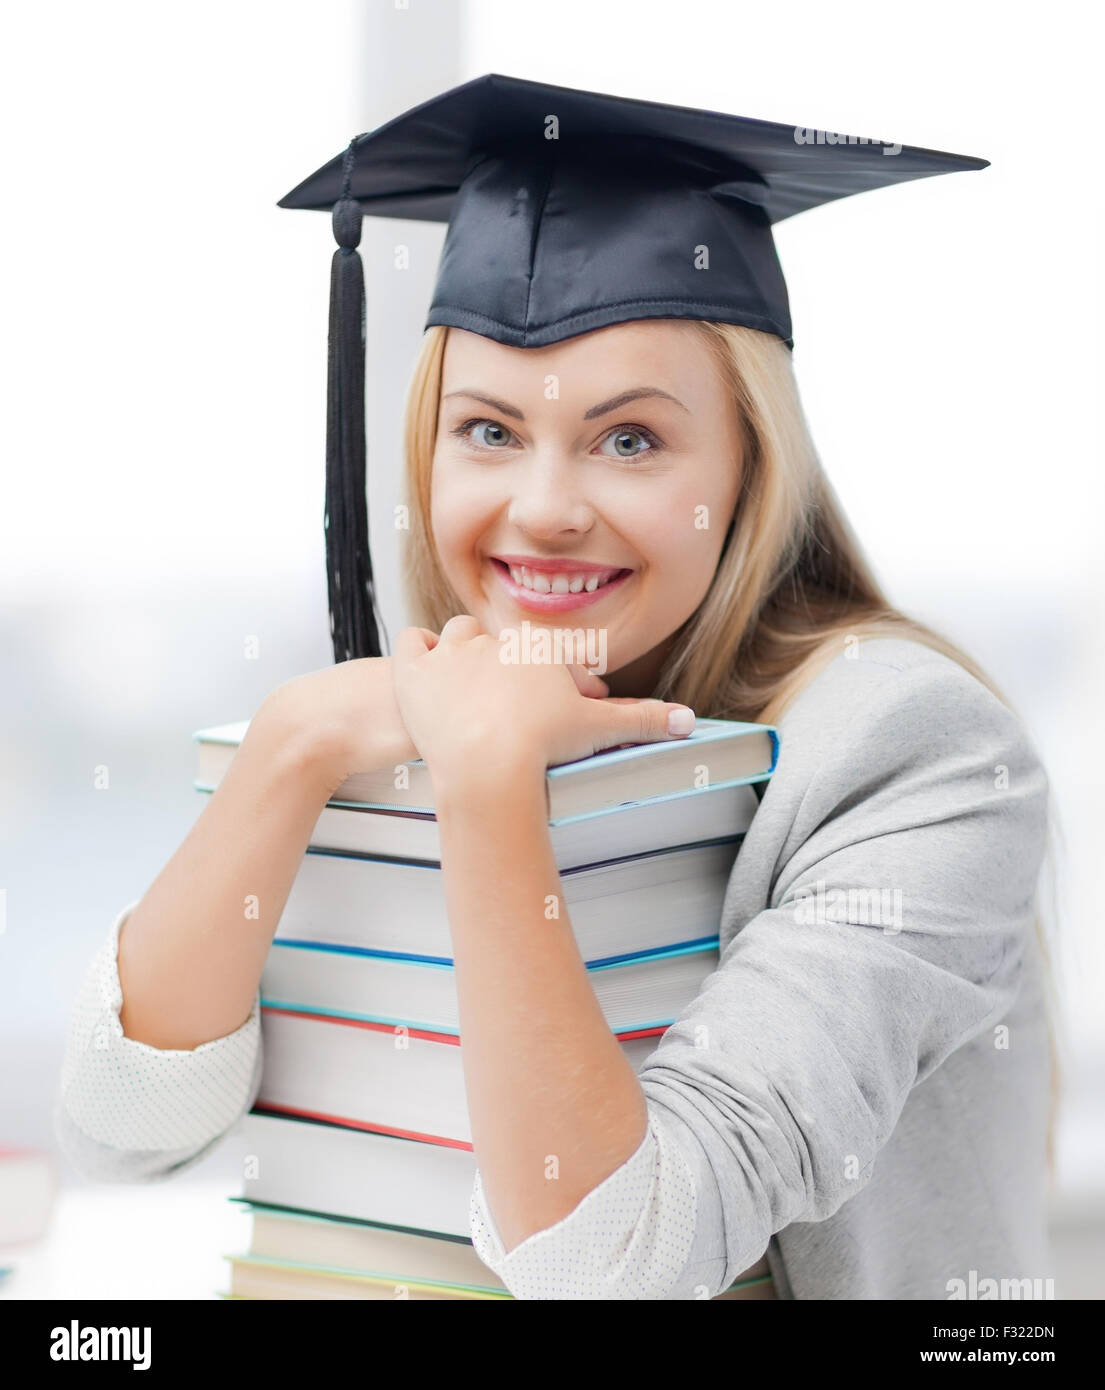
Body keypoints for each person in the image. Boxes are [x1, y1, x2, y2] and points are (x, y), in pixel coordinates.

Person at [54, 75, 1057, 1300]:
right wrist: (291, 745)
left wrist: (487, 791)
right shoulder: (396, 713)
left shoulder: (912, 749)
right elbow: (121, 1136)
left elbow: (619, 1266)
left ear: (748, 462)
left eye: (629, 439)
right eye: (486, 431)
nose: (542, 509)